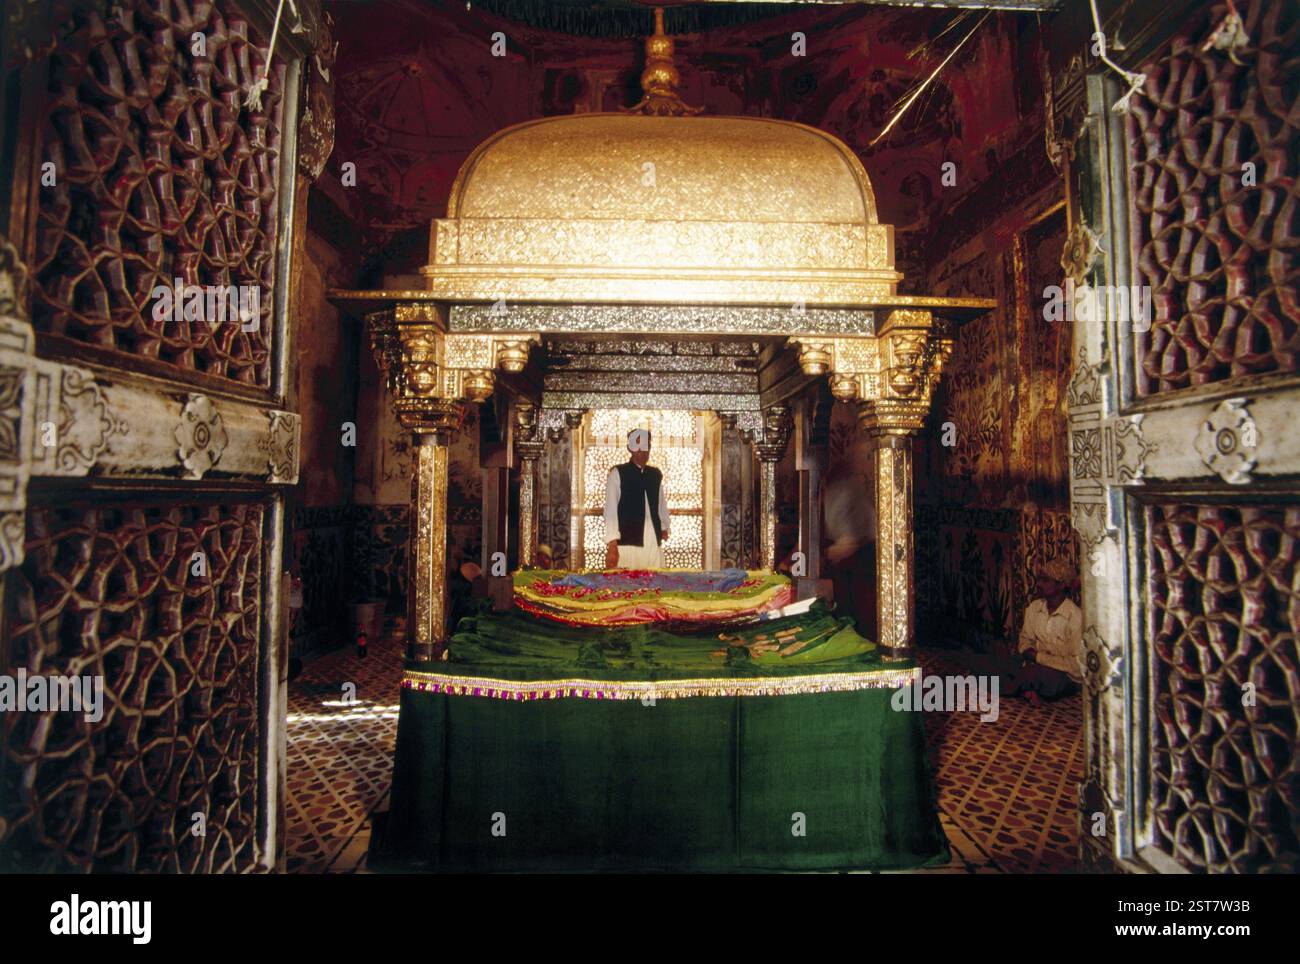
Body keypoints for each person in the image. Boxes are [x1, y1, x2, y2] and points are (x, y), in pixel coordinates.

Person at [1009, 557, 1083, 706]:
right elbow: (1024, 640)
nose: (1039, 585)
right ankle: (1027, 689)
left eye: (1045, 580)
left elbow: (1077, 666)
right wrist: (1027, 651)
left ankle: (1016, 687)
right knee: (1004, 660)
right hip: (1034, 666)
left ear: (1061, 585)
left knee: (1035, 676)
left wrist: (1037, 657)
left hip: (1065, 676)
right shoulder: (1035, 608)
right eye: (1040, 580)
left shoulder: (1075, 616)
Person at [603, 428, 671, 570]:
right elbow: (611, 510)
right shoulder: (617, 473)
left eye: (647, 447)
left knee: (654, 584)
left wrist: (664, 526)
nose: (644, 452)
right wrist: (612, 544)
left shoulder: (655, 474)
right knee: (627, 586)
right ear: (630, 448)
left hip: (652, 540)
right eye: (639, 448)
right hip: (627, 542)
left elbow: (661, 503)